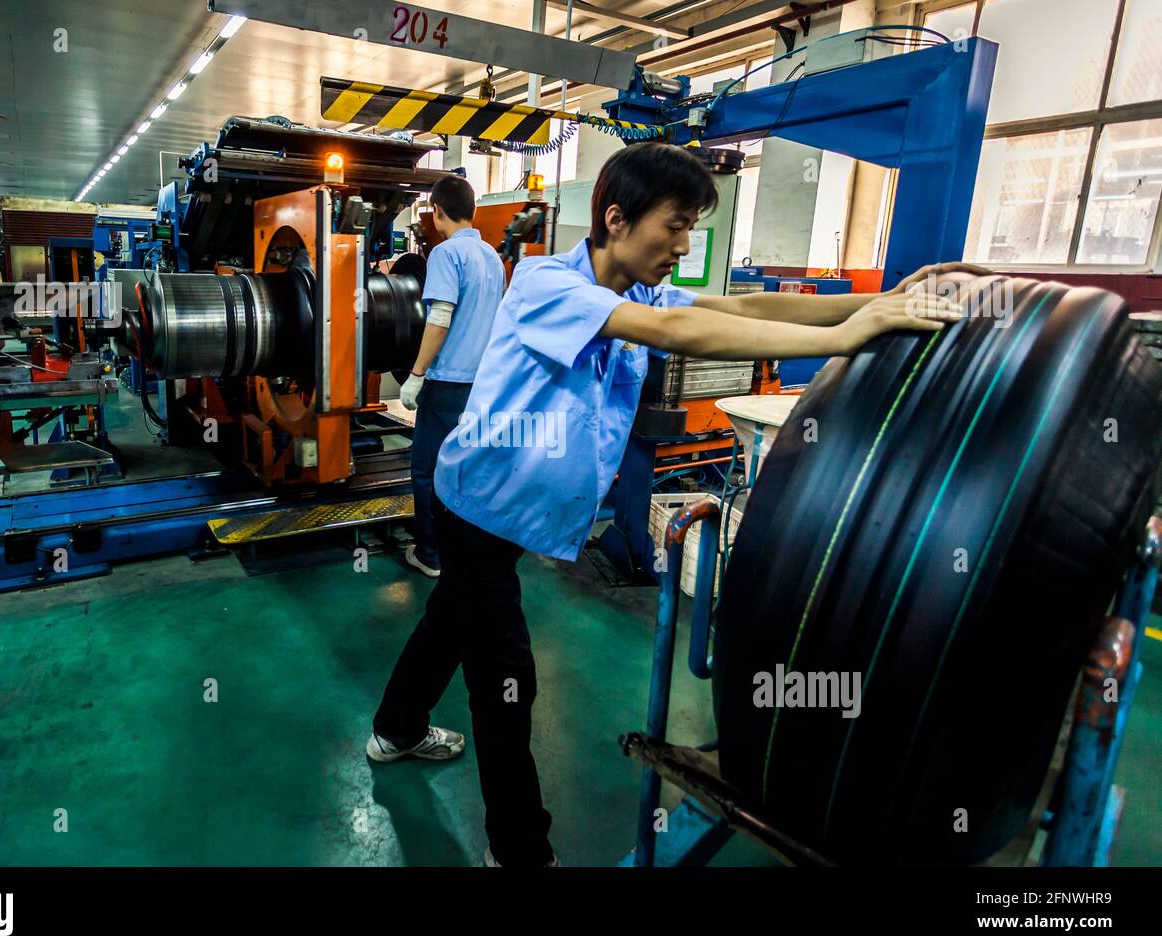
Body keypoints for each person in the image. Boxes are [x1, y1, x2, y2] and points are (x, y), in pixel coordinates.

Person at [366, 142, 975, 867]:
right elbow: (672, 332)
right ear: (617, 219)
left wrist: (875, 304)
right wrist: (843, 339)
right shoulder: (544, 282)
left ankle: (396, 729)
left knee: (450, 621)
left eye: (692, 228)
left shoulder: (638, 289)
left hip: (508, 510)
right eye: (675, 226)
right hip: (477, 505)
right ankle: (520, 850)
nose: (685, 247)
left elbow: (741, 303)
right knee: (506, 678)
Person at [398, 175, 506, 578]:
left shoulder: (446, 254)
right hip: (481, 387)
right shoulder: (492, 257)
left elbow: (440, 318)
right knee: (466, 471)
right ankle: (465, 551)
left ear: (438, 211)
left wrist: (416, 373)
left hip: (446, 386)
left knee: (427, 472)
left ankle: (430, 555)